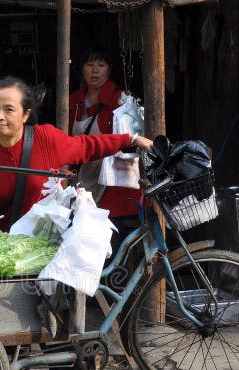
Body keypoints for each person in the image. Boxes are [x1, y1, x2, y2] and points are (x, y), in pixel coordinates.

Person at [0, 76, 152, 370]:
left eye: (8, 110)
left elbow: (89, 146)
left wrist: (130, 138)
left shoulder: (46, 140)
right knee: (16, 315)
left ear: (26, 114)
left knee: (42, 316)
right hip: (10, 246)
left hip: (48, 245)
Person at [69, 47, 144, 254]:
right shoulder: (74, 101)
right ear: (82, 69)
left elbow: (132, 143)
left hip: (114, 182)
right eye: (89, 65)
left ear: (109, 69)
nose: (95, 71)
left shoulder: (121, 101)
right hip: (84, 177)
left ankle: (113, 284)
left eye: (100, 65)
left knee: (112, 243)